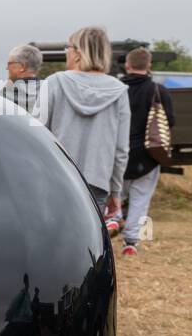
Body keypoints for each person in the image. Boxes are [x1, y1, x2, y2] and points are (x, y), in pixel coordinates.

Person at [39, 26, 130, 223]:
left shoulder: (53, 83)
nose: (67, 52)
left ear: (78, 52)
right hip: (97, 182)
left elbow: (36, 135)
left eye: (68, 47)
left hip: (57, 178)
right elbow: (121, 149)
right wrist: (116, 191)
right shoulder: (119, 91)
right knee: (90, 248)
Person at [118, 46, 175, 257]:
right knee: (141, 200)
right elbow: (169, 122)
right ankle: (131, 243)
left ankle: (108, 228)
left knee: (114, 196)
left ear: (127, 65)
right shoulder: (159, 91)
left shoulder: (116, 88)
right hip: (148, 156)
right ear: (148, 66)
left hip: (118, 156)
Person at [0, 43, 43, 117]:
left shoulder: (6, 93)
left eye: (9, 64)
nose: (7, 68)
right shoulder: (49, 90)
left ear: (22, 67)